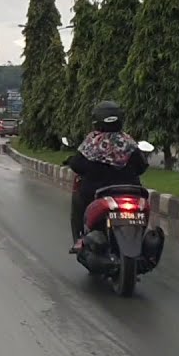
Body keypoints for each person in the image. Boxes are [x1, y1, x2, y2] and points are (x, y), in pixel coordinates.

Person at [63, 100, 148, 253]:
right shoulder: (128, 141)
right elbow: (141, 166)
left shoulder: (92, 142)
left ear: (97, 120)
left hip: (96, 193)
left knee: (77, 199)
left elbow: (77, 165)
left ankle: (79, 239)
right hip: (130, 191)